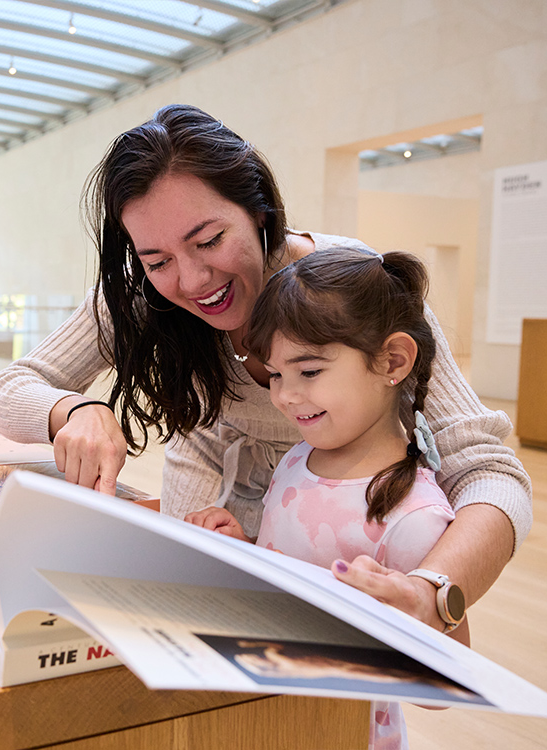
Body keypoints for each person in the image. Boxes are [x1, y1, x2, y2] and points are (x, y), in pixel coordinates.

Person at [0, 104, 531, 638]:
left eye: (210, 240)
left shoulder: (350, 288)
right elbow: (7, 389)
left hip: (348, 545)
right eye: (157, 261)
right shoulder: (140, 298)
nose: (193, 280)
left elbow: (487, 470)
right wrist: (74, 409)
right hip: (224, 533)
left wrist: (432, 592)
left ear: (260, 211)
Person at [187, 246, 465, 749]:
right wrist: (243, 542)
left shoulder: (413, 515)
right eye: (275, 374)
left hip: (345, 732)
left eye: (309, 372)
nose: (285, 396)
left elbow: (443, 687)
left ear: (392, 361)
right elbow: (291, 563)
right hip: (268, 711)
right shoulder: (298, 457)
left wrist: (411, 618)